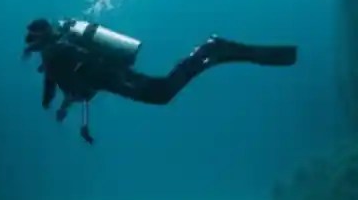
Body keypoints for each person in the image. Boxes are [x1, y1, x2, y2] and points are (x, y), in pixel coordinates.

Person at [23, 17, 296, 144]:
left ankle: (209, 51)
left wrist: (57, 105)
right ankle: (210, 55)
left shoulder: (55, 54)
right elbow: (78, 86)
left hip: (119, 79)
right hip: (117, 78)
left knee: (163, 93)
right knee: (163, 91)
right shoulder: (57, 53)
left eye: (32, 42)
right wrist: (72, 113)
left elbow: (68, 84)